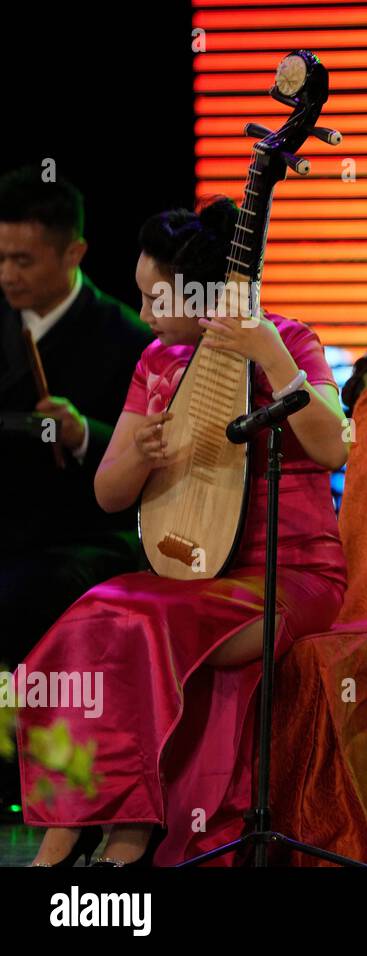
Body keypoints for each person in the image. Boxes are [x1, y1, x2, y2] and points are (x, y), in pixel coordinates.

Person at [18, 197, 349, 866]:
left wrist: (270, 353)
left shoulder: (289, 339)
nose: (142, 315)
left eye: (154, 299)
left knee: (140, 624)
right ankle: (73, 830)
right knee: (88, 619)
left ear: (202, 298)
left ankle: (129, 837)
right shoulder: (159, 362)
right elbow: (109, 494)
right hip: (194, 569)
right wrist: (144, 452)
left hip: (291, 576)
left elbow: (334, 446)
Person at [0, 166, 153, 666]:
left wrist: (84, 432)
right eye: (0, 258)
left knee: (28, 591)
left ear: (74, 253)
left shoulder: (127, 339)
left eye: (22, 260)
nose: (6, 275)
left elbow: (148, 456)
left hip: (81, 538)